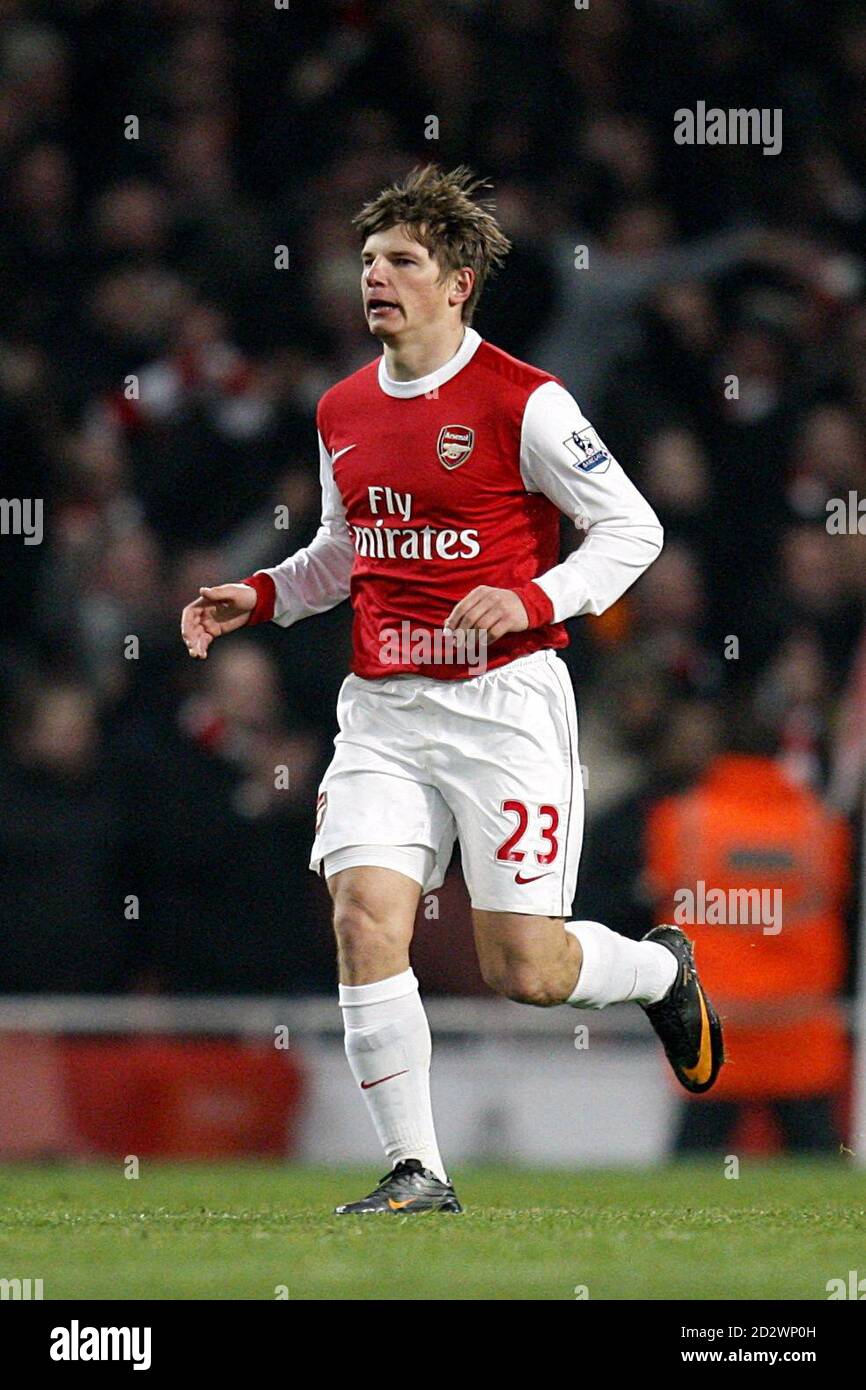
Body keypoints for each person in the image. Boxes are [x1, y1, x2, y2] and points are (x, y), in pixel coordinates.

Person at [180, 165, 724, 1214]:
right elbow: (346, 554)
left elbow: (633, 529)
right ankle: (416, 1169)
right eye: (368, 260)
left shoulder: (525, 401)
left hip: (504, 705)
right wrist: (259, 593)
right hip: (382, 709)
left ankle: (660, 973)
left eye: (401, 262)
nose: (374, 278)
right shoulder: (341, 406)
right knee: (361, 912)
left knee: (524, 965)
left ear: (457, 282)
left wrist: (533, 596)